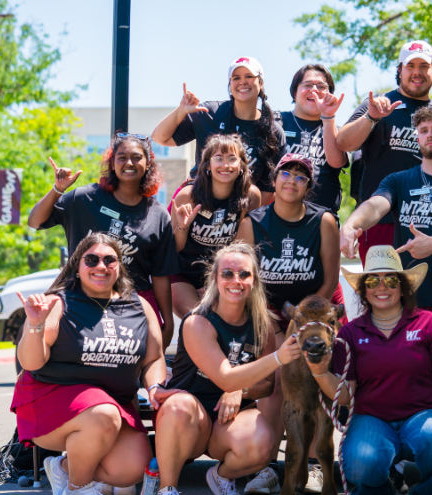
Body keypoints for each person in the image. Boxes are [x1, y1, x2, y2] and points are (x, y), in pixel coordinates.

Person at [10, 233, 172, 495]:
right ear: (77, 265)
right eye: (92, 259)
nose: (101, 266)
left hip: (112, 408)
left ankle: (62, 467)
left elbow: (153, 357)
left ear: (119, 265)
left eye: (109, 259)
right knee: (103, 413)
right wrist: (35, 324)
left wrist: (154, 386)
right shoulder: (59, 303)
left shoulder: (139, 306)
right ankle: (77, 489)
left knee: (131, 470)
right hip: (51, 400)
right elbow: (31, 363)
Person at [301, 245, 432, 495]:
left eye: (391, 279)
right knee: (361, 461)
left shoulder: (428, 322)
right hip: (370, 419)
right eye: (373, 281)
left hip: (422, 415)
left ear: (403, 286)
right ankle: (377, 494)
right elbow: (345, 396)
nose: (382, 287)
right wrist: (319, 370)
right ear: (364, 289)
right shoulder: (351, 333)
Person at [153, 243, 303, 495]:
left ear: (254, 280)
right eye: (227, 274)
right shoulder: (197, 321)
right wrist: (278, 358)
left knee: (262, 444)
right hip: (190, 418)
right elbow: (225, 377)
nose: (237, 280)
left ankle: (222, 476)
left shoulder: (262, 323)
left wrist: (241, 389)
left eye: (244, 274)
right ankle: (167, 489)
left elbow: (266, 385)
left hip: (229, 419)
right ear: (215, 278)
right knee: (179, 406)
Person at [236, 153, 343, 495]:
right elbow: (246, 281)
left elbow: (329, 280)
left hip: (316, 312)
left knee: (317, 384)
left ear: (308, 186)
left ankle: (312, 467)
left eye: (301, 177)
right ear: (275, 178)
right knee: (276, 381)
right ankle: (268, 467)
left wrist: (302, 323)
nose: (292, 181)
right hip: (265, 311)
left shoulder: (323, 220)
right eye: (286, 173)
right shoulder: (252, 222)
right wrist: (275, 326)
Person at [340, 104, 432, 332]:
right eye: (424, 130)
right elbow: (376, 205)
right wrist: (350, 226)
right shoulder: (397, 180)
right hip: (403, 301)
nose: (429, 134)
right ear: (417, 138)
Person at [27, 134, 180, 347]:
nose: (129, 163)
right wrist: (58, 189)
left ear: (148, 164)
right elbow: (35, 221)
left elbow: (161, 274)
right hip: (84, 299)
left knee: (140, 369)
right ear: (112, 162)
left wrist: (168, 321)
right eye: (122, 157)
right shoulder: (84, 198)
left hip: (134, 305)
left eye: (136, 157)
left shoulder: (158, 214)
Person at [337, 40, 432, 261]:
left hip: (427, 224)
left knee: (424, 293)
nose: (417, 72)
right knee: (380, 291)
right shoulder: (377, 104)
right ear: (399, 70)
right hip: (379, 221)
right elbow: (344, 143)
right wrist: (371, 117)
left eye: (424, 66)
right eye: (410, 66)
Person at [151, 56, 287, 205]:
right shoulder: (210, 113)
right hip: (199, 202)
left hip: (240, 210)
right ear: (230, 84)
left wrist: (243, 219)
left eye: (249, 76)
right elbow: (159, 138)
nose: (242, 81)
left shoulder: (273, 132)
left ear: (260, 83)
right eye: (236, 78)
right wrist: (181, 111)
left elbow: (267, 189)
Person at [170, 134, 261, 318]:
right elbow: (174, 249)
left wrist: (215, 283)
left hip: (224, 272)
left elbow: (240, 249)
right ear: (207, 165)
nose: (225, 165)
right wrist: (183, 227)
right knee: (196, 319)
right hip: (183, 273)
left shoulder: (251, 196)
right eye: (218, 158)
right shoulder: (187, 196)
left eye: (232, 159)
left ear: (242, 166)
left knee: (222, 319)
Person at [278, 64, 349, 217]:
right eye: (308, 85)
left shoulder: (337, 130)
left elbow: (337, 162)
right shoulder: (276, 122)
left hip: (322, 218)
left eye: (322, 86)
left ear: (329, 94)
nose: (314, 90)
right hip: (278, 217)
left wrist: (328, 117)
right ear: (295, 92)